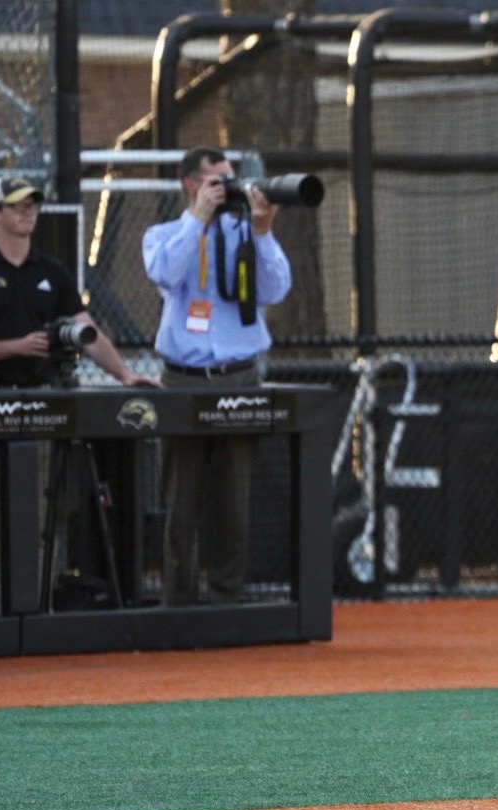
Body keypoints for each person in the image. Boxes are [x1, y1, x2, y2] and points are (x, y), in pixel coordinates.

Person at [0, 176, 162, 613]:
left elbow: (86, 331)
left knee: (38, 519)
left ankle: (35, 616)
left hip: (40, 409)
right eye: (17, 205)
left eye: (32, 204)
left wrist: (126, 374)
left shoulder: (52, 271)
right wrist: (18, 346)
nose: (27, 211)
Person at [143, 147, 292, 607]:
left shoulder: (245, 233)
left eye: (231, 179)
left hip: (239, 379)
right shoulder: (164, 234)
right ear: (191, 185)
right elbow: (166, 274)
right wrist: (198, 220)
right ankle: (179, 603)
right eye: (216, 181)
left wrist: (263, 230)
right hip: (184, 380)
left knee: (234, 501)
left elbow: (276, 289)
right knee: (180, 501)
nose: (227, 188)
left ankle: (227, 598)